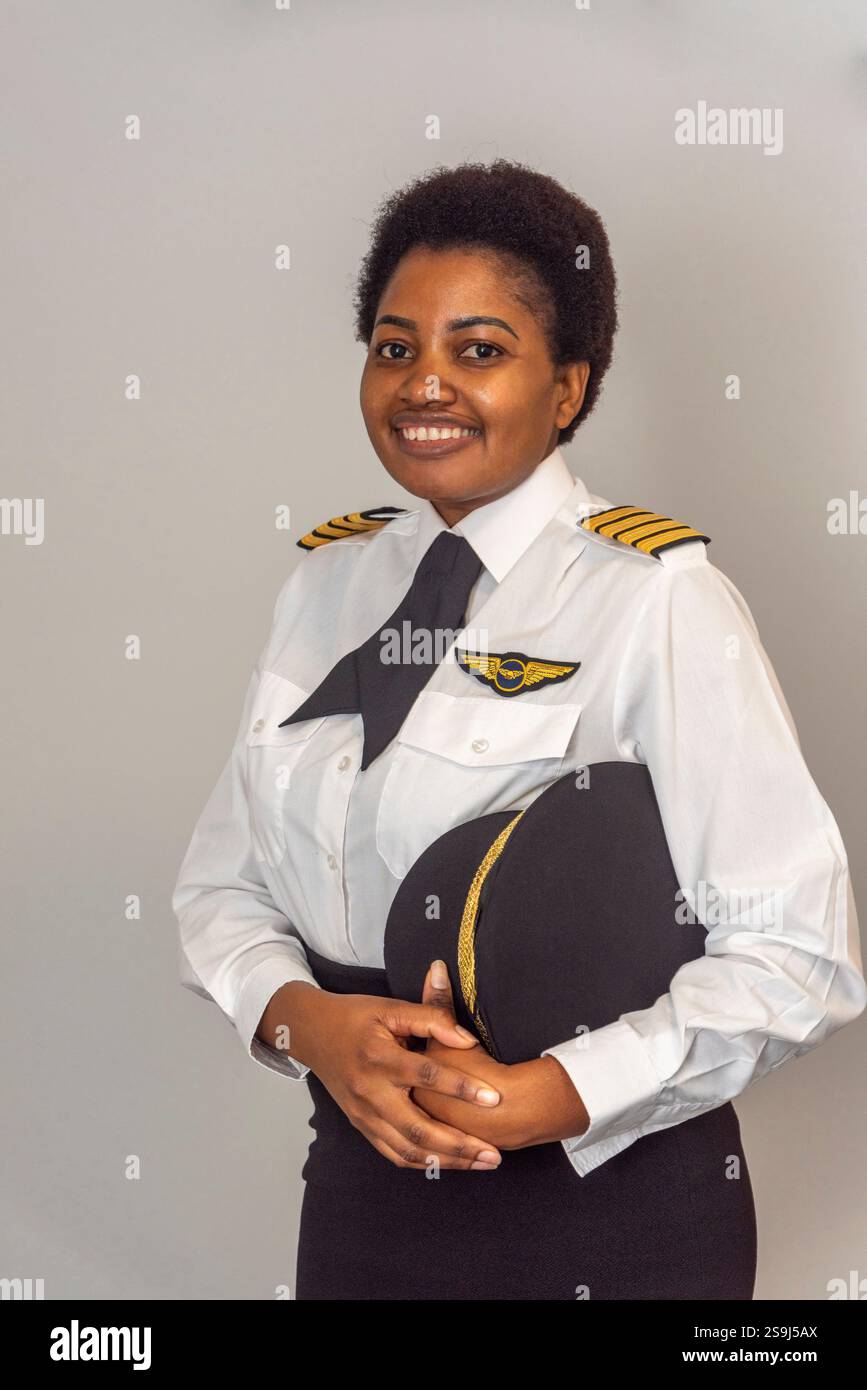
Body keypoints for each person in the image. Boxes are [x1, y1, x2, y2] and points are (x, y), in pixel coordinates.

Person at [172, 159, 867, 1300]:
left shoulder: (655, 598)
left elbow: (801, 956)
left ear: (567, 387)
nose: (425, 384)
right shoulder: (326, 588)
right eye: (396, 348)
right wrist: (308, 1026)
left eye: (479, 351)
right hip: (364, 1197)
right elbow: (220, 888)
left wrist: (555, 1092)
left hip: (605, 1207)